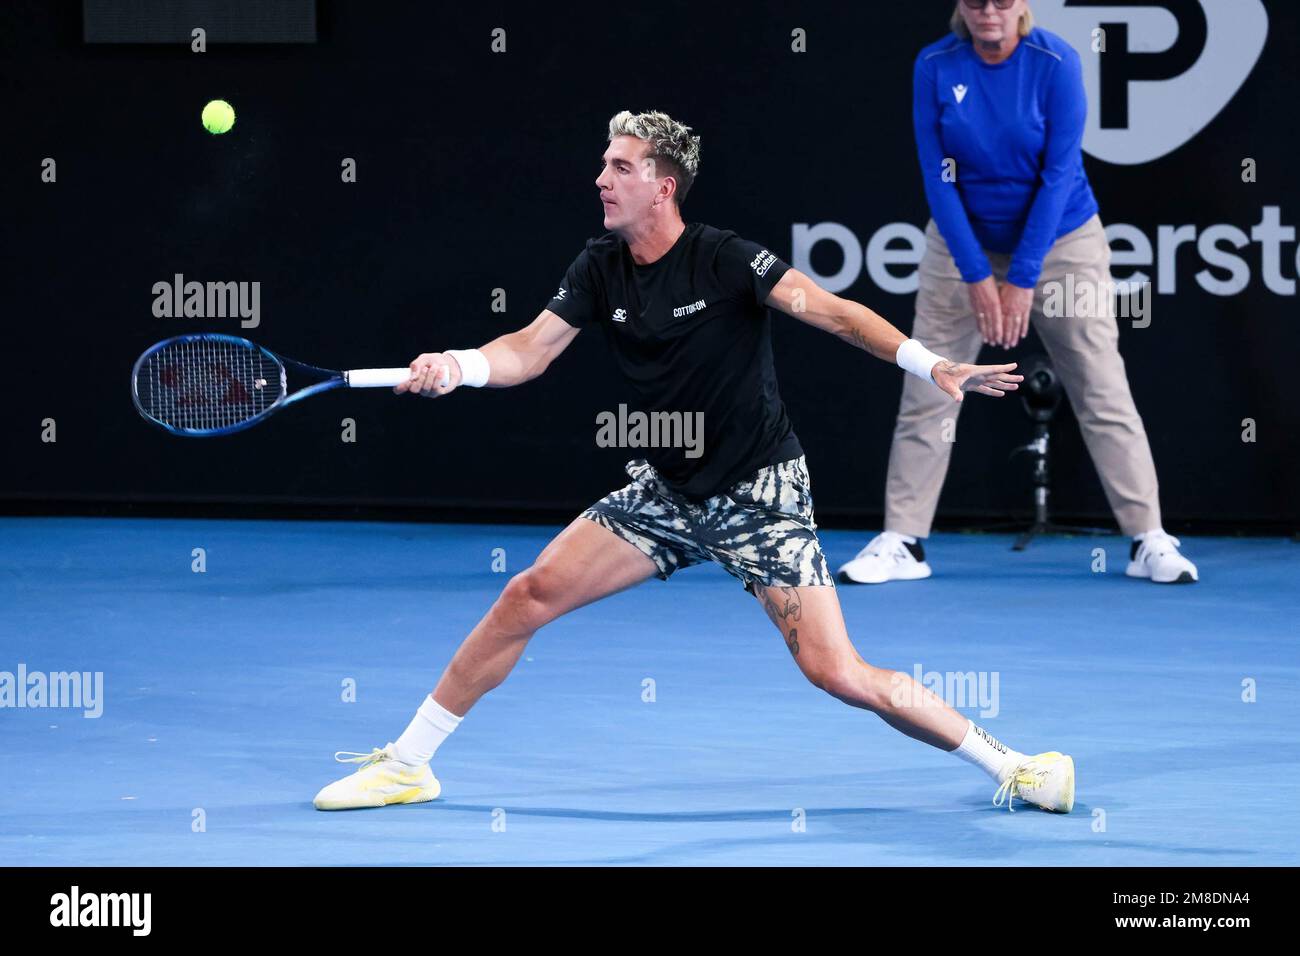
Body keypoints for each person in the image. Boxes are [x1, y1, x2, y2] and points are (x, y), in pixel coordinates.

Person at [314, 109, 1072, 815]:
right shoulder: (600, 265)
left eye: (619, 167)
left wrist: (931, 363)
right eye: (603, 165)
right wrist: (457, 364)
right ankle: (411, 763)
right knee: (527, 593)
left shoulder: (726, 259)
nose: (601, 179)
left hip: (759, 494)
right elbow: (528, 350)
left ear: (661, 186)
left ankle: (1013, 765)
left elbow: (835, 313)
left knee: (837, 673)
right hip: (667, 492)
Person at [838, 0, 1198, 586]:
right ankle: (903, 541)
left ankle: (1148, 539)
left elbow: (1059, 173)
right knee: (929, 381)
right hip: (962, 245)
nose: (989, 12)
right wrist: (979, 276)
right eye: (976, 0)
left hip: (1062, 241)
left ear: (1022, 5)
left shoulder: (1055, 62)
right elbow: (938, 176)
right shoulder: (935, 64)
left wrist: (1023, 276)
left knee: (1101, 383)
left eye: (1002, 0)